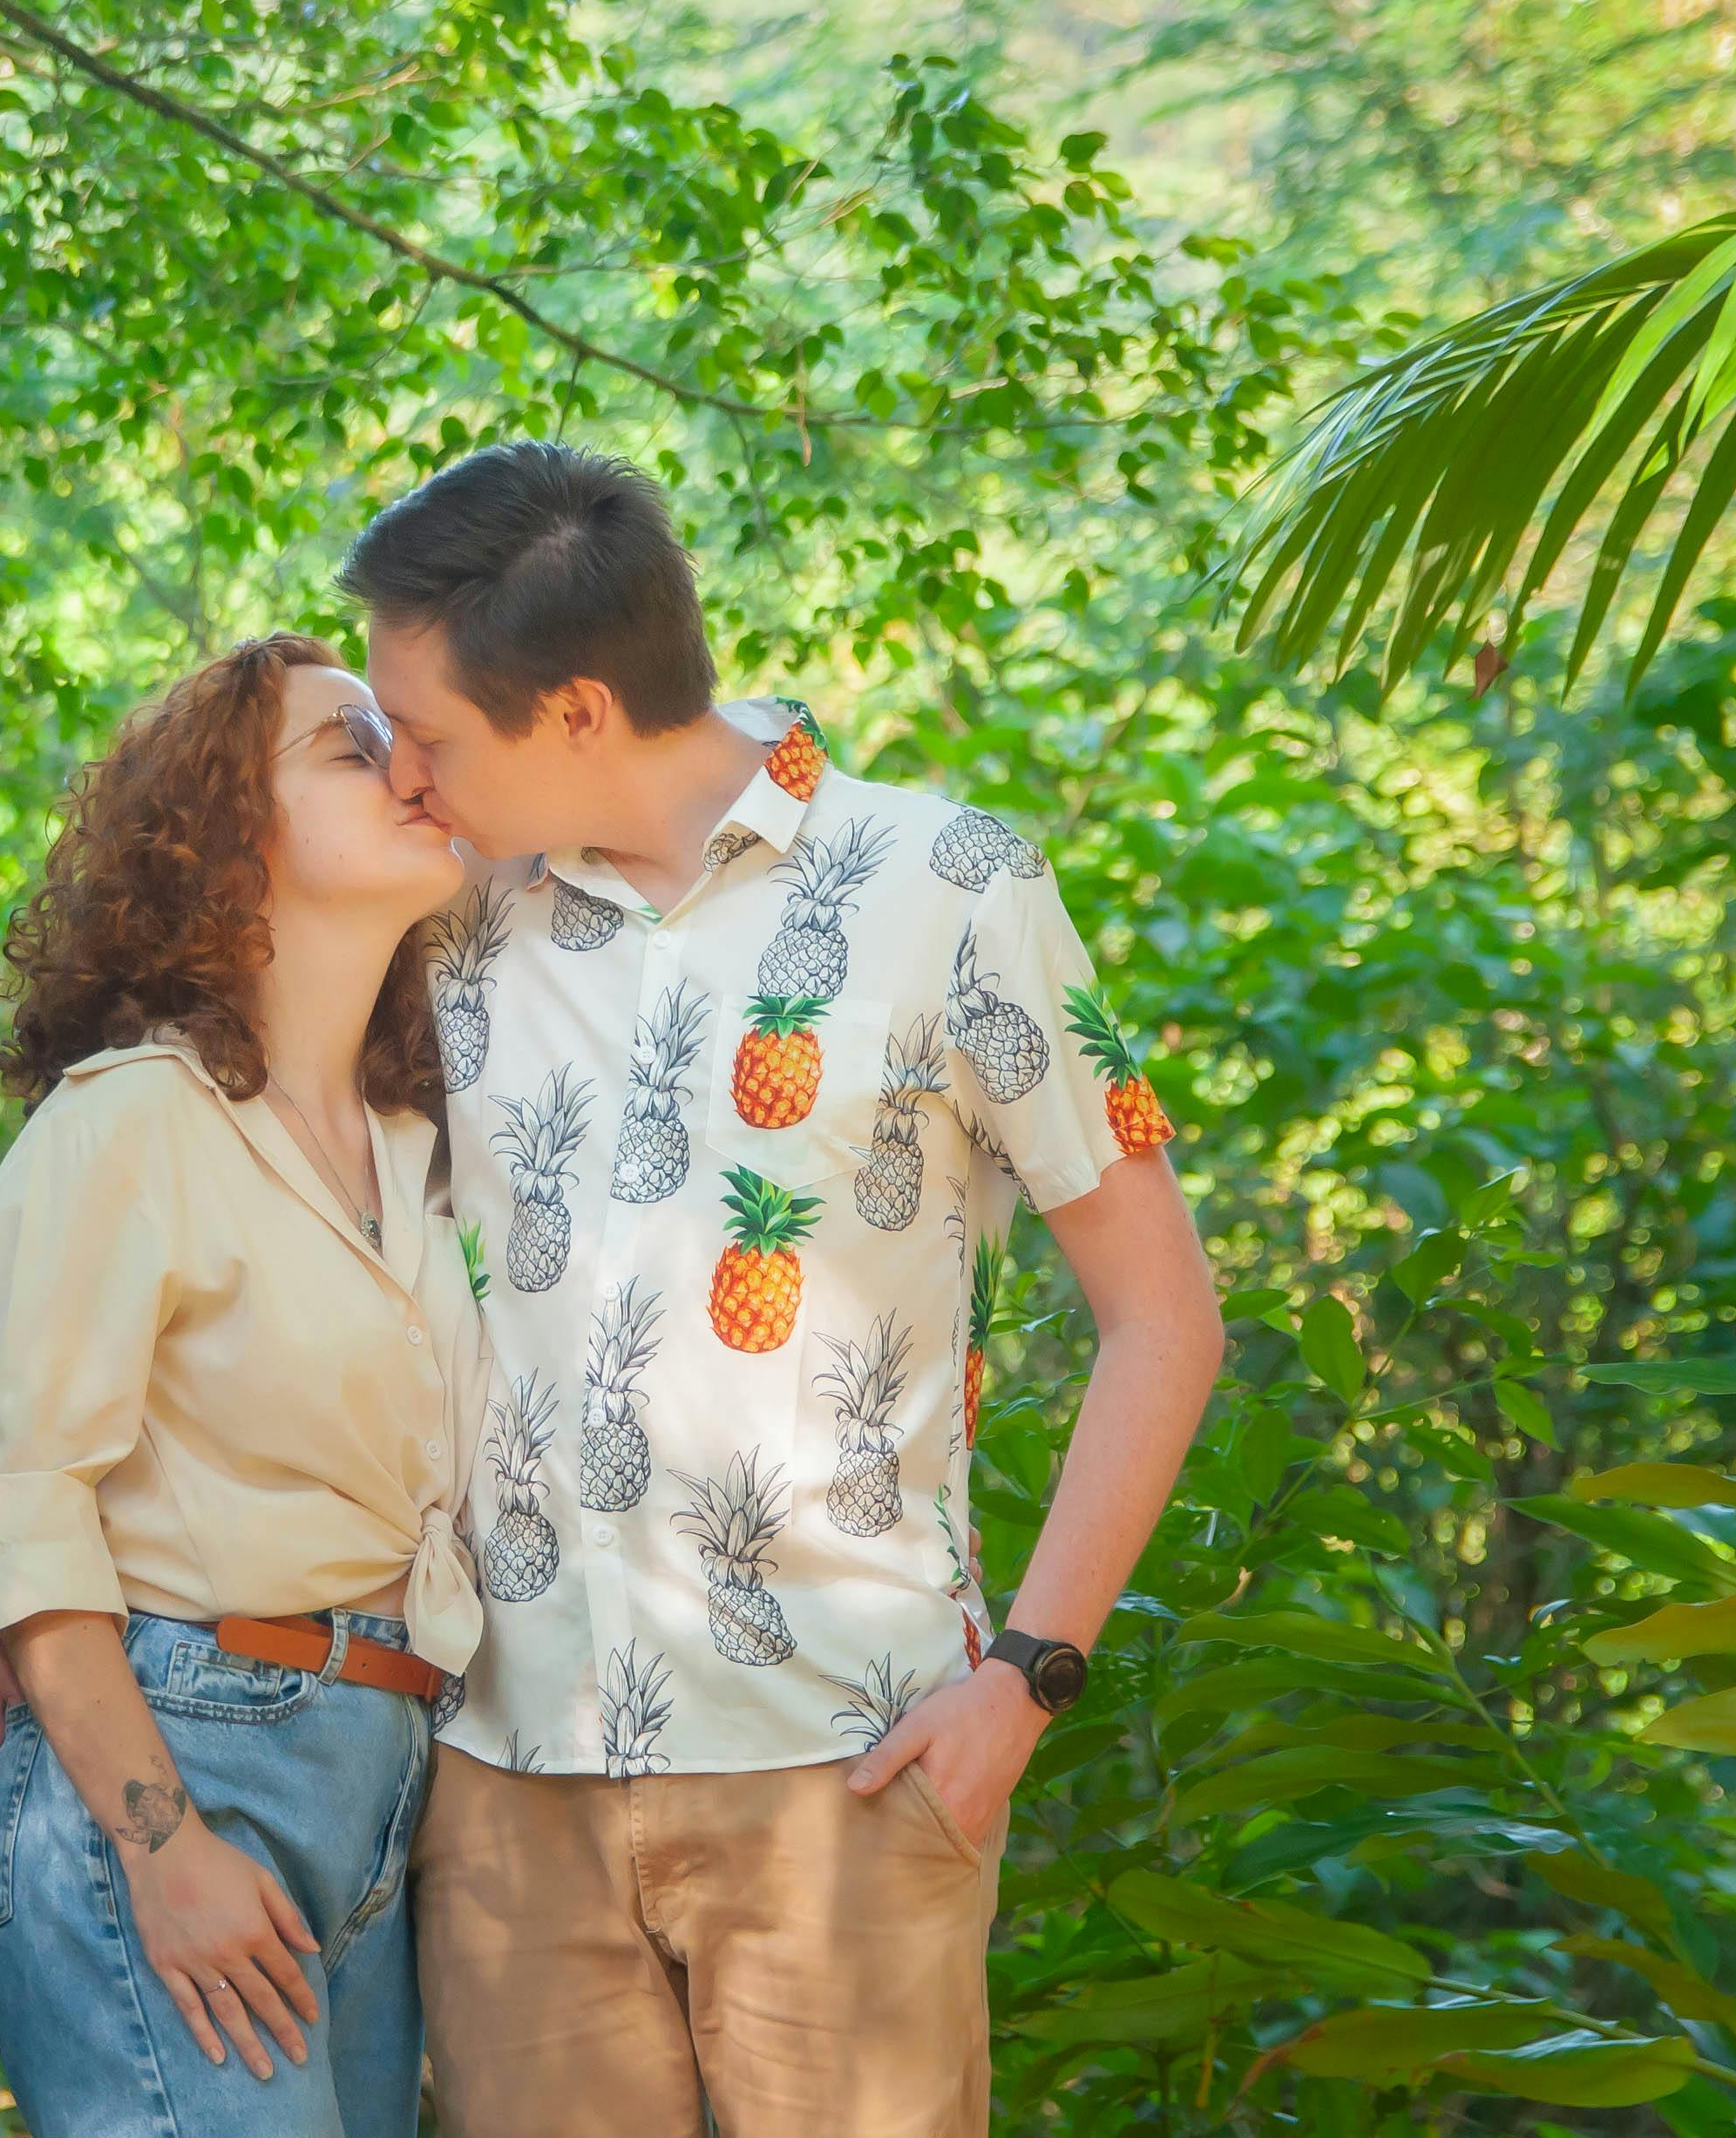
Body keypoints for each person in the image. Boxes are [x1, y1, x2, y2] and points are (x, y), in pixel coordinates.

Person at [342, 441, 1226, 2136]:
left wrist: (1023, 1677)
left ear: (578, 710)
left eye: (432, 732)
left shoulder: (951, 885)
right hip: (504, 1791)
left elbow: (1161, 1316)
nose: (405, 770)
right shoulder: (444, 917)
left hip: (848, 1773)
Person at [0, 634, 488, 2138]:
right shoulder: (131, 1121)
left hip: (389, 1786)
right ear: (226, 836)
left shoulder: (417, 1154)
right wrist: (157, 1841)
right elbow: (20, 1501)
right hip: (187, 1762)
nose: (411, 768)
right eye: (349, 746)